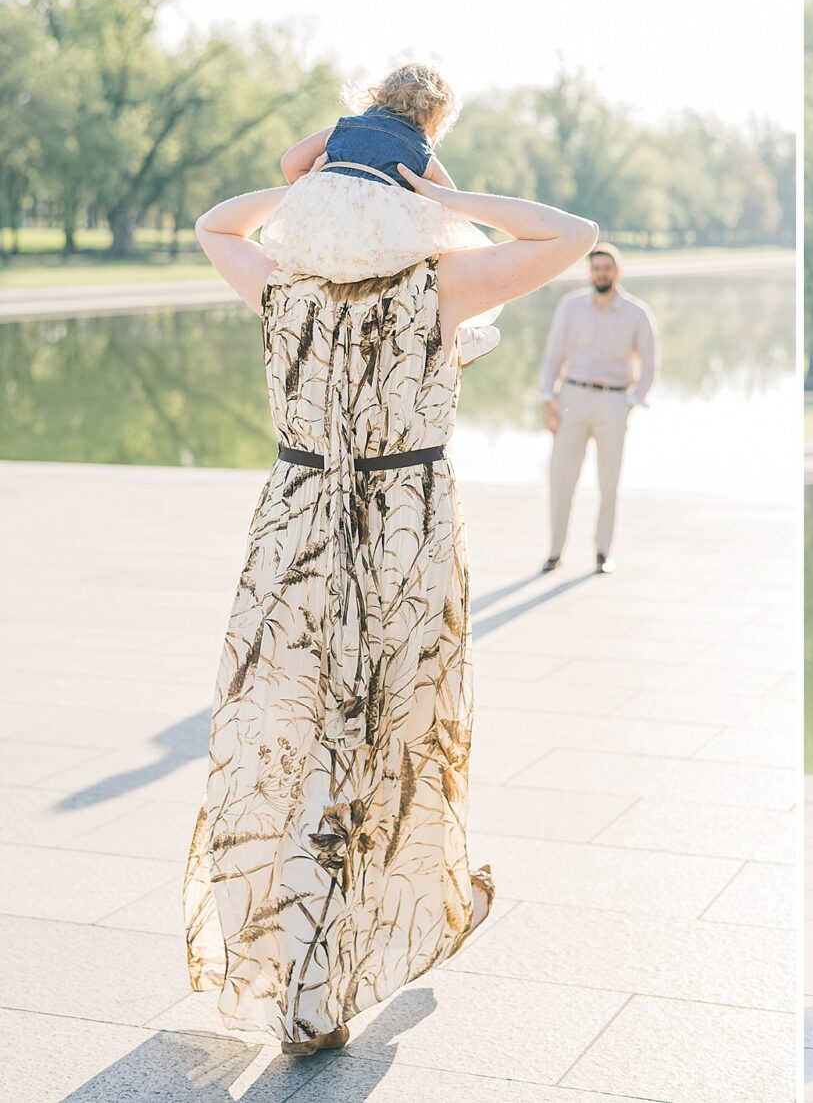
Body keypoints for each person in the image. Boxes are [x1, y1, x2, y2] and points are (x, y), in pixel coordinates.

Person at [186, 163, 597, 1053]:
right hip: (401, 528)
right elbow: (573, 234)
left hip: (294, 528)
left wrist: (296, 174)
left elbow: (216, 225)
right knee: (388, 741)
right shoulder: (440, 286)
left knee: (297, 738)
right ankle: (352, 965)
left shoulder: (282, 288)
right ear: (403, 206)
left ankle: (311, 975)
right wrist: (449, 200)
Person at [261, 62, 501, 366]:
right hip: (380, 251)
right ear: (435, 115)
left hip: (324, 240)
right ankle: (459, 331)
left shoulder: (343, 127)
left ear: (382, 94)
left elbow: (290, 163)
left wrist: (318, 186)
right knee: (452, 240)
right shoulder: (418, 149)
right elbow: (451, 203)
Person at [536, 242, 658, 575]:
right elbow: (553, 356)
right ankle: (555, 551)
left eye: (607, 268)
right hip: (572, 397)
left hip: (614, 401)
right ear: (590, 271)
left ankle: (603, 552)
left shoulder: (637, 313)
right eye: (596, 268)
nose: (601, 273)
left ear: (617, 271)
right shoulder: (570, 306)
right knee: (561, 479)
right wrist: (549, 399)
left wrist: (630, 403)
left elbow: (650, 365)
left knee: (609, 481)